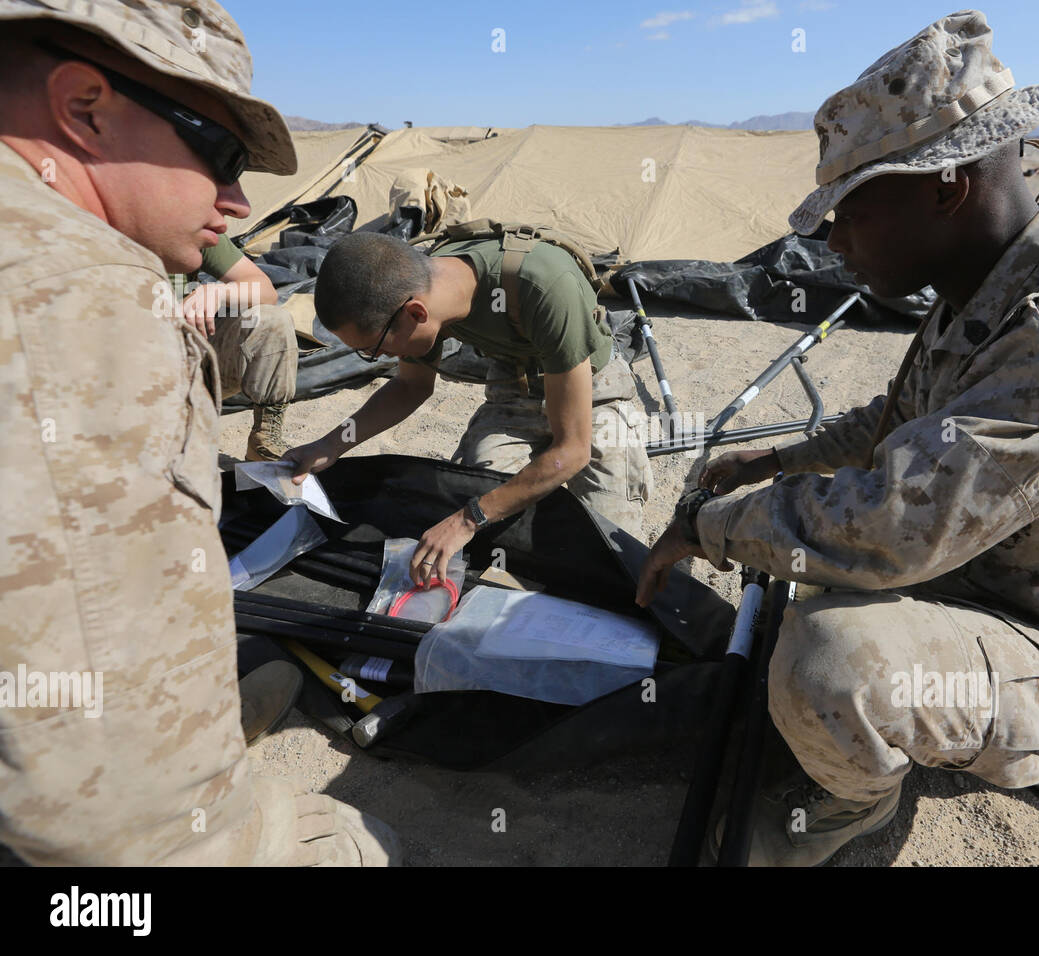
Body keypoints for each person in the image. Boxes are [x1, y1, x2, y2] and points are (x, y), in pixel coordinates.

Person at [637, 9, 1039, 866]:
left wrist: (706, 527)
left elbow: (895, 527)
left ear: (945, 185)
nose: (829, 242)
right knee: (802, 571)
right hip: (974, 581)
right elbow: (902, 417)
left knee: (831, 659)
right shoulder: (979, 293)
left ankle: (872, 800)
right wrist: (775, 460)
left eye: (847, 212)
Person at [0, 0, 398, 865]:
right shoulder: (79, 301)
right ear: (84, 107)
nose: (238, 197)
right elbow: (98, 803)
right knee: (367, 846)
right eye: (220, 152)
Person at [285, 230, 653, 586]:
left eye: (375, 347)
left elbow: (571, 450)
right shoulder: (423, 289)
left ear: (415, 314)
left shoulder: (544, 286)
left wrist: (467, 518)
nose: (377, 358)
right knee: (481, 506)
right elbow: (411, 386)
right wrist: (330, 446)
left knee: (612, 550)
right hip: (515, 390)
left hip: (592, 395)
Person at [175, 232, 298, 460]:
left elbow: (266, 292)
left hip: (192, 365)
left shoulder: (191, 223)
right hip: (120, 378)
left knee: (271, 320)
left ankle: (264, 441)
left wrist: (218, 292)